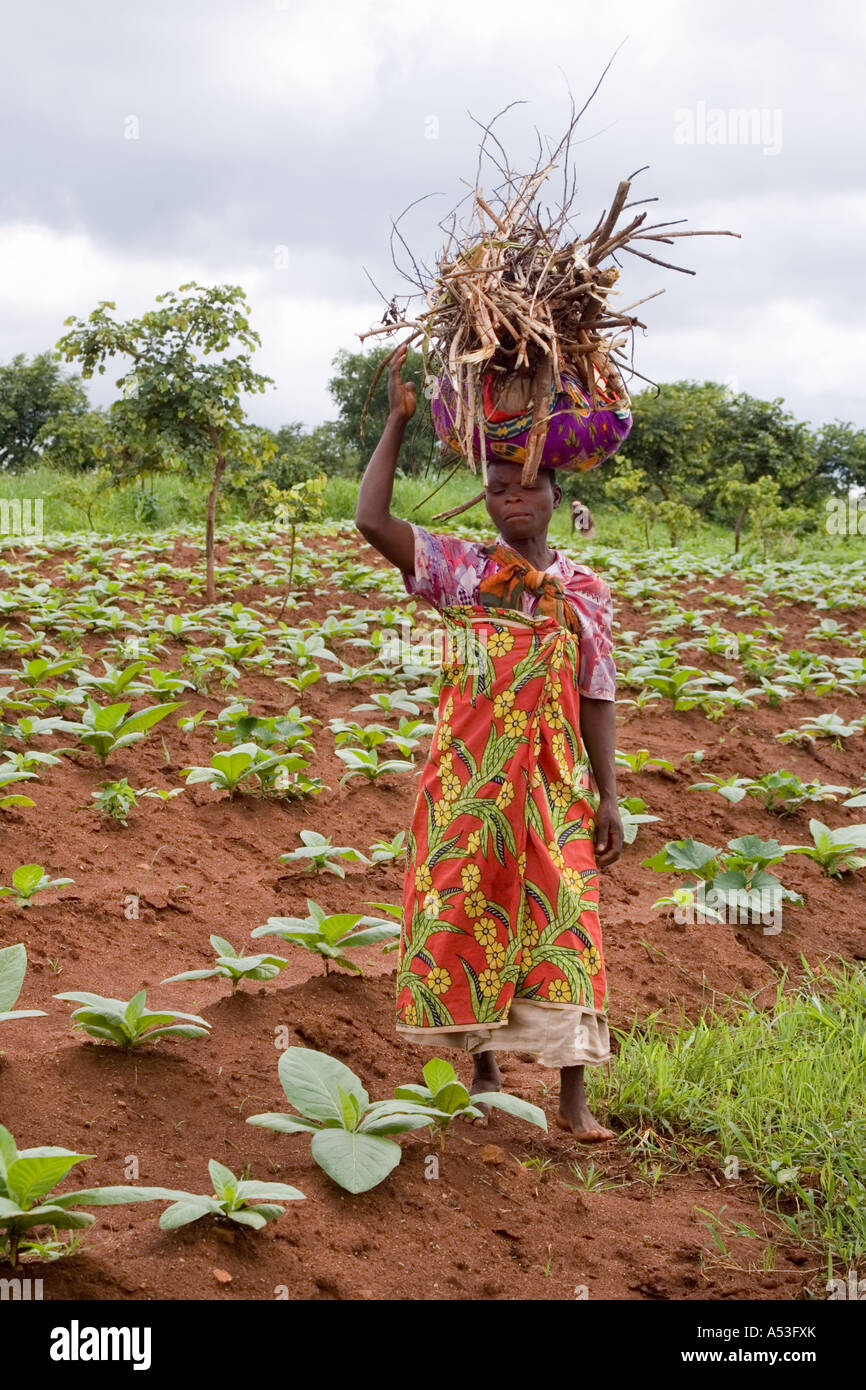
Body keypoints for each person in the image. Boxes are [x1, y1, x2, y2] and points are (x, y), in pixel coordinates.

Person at [355, 345, 624, 1141]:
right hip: (470, 779)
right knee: (466, 910)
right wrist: (398, 423)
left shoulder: (583, 592)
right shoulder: (464, 574)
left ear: (554, 495)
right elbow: (371, 520)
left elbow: (597, 693)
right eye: (498, 490)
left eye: (528, 488)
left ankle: (573, 1098)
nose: (513, 502)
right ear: (484, 501)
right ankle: (481, 1071)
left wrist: (610, 794)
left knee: (566, 915)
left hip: (552, 782)